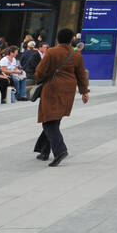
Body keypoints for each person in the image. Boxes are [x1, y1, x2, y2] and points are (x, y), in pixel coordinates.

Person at [33, 28, 90, 167]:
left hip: (52, 89)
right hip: (68, 90)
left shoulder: (51, 52)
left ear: (57, 39)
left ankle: (60, 150)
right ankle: (44, 152)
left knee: (48, 121)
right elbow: (81, 74)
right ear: (72, 39)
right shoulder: (76, 55)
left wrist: (39, 80)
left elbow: (40, 71)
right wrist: (84, 92)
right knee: (54, 119)